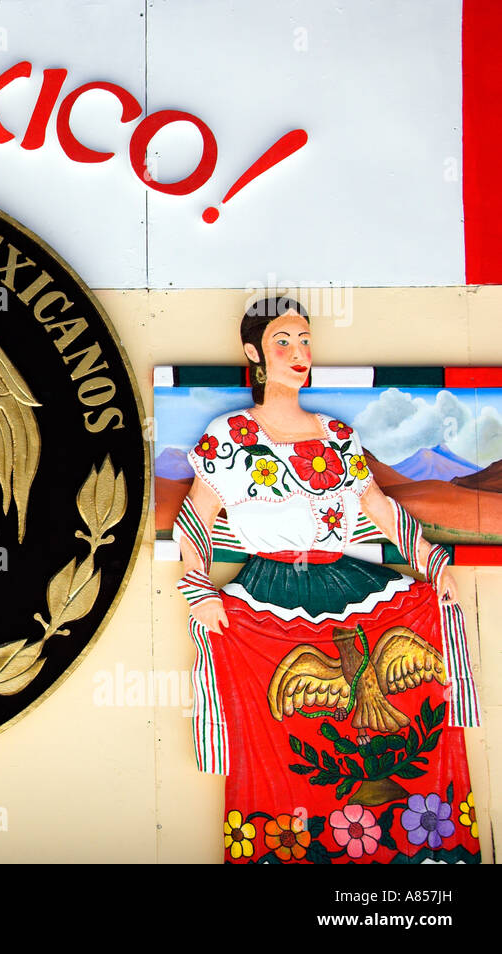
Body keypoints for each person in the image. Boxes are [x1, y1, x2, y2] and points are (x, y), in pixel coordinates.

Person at [175, 296, 481, 863]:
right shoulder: (229, 437)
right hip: (268, 599)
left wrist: (434, 563)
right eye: (283, 342)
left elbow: (382, 512)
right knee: (287, 735)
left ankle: (404, 854)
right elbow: (194, 520)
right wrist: (197, 591)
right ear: (254, 353)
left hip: (349, 587)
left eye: (305, 340)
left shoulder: (338, 437)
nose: (299, 353)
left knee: (383, 708)